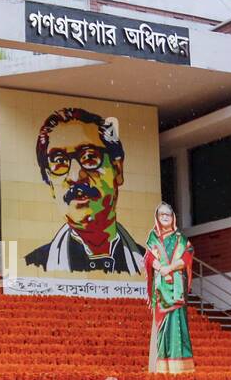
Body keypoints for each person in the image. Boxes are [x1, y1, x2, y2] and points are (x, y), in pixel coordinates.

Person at [23, 107, 146, 274]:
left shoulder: (149, 265)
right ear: (50, 182)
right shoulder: (33, 265)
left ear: (117, 170)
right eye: (59, 161)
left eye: (89, 157)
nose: (75, 176)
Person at [144, 202, 195, 374]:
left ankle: (181, 368)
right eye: (162, 215)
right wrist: (161, 268)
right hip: (160, 290)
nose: (165, 217)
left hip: (176, 290)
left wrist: (170, 268)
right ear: (157, 218)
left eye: (169, 214)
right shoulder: (153, 238)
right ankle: (163, 367)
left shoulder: (181, 239)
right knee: (162, 328)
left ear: (173, 217)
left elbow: (187, 257)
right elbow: (149, 259)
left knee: (178, 325)